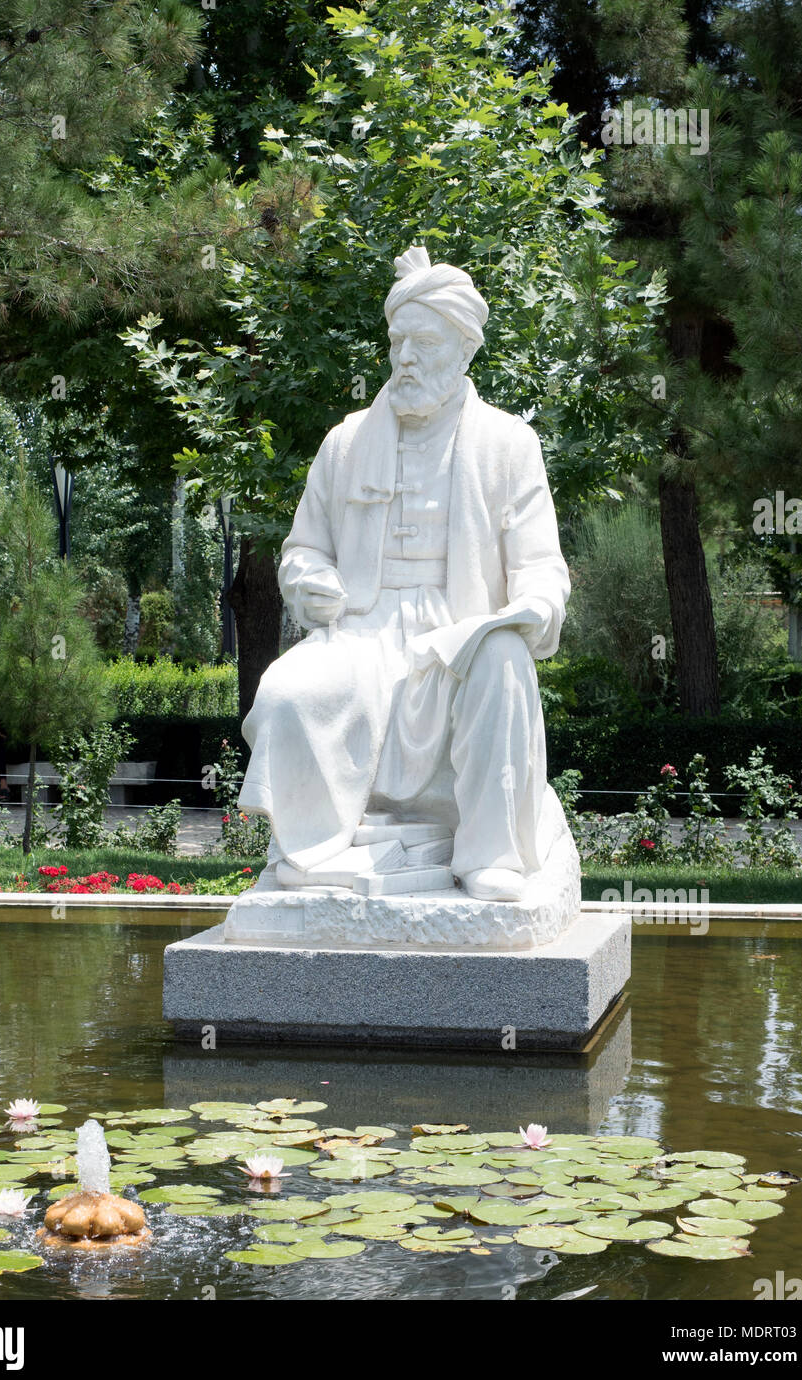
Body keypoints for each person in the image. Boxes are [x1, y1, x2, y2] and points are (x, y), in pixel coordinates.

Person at [237, 246, 574, 902]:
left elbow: (541, 568)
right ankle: (314, 858)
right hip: (361, 633)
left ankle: (490, 855)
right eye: (397, 342)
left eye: (424, 343)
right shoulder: (344, 442)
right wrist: (309, 584)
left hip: (460, 633)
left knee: (504, 656)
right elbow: (302, 550)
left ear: (463, 348)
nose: (405, 359)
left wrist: (531, 608)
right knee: (283, 694)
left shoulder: (509, 444)